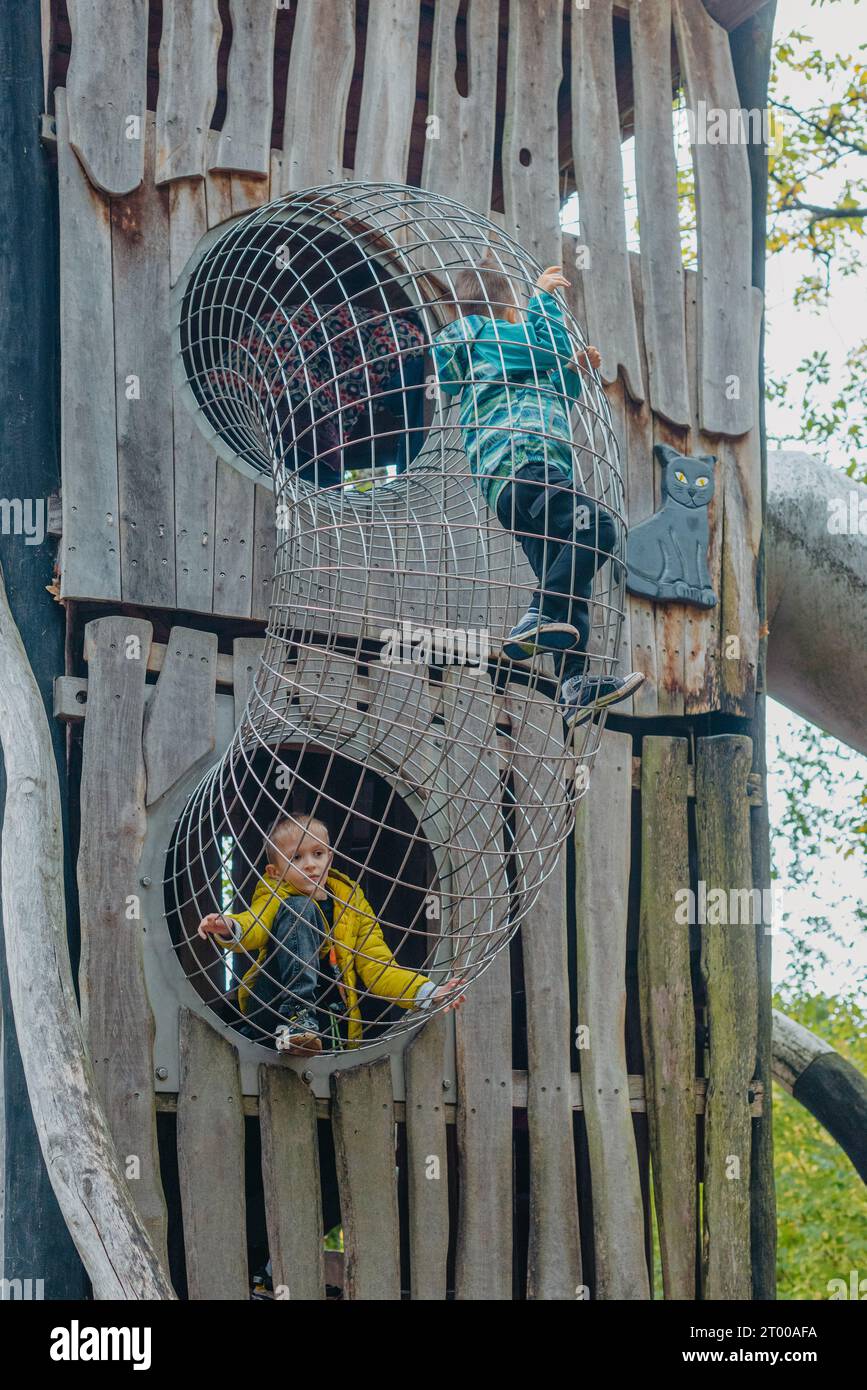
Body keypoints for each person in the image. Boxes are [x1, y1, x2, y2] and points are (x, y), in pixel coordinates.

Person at [431, 256, 644, 727]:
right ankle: (536, 615)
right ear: (505, 307)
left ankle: (574, 684)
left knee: (571, 578)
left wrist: (574, 370)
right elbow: (542, 349)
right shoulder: (480, 337)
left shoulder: (506, 354)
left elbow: (553, 388)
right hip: (527, 465)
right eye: (520, 305)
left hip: (514, 486)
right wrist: (545, 299)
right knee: (600, 530)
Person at [197, 814, 464, 1054]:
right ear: (275, 872)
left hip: (327, 1018)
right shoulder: (275, 894)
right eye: (296, 858)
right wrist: (230, 927)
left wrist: (427, 993)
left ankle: (305, 1032)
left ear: (330, 857)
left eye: (318, 853)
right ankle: (296, 1015)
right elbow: (255, 923)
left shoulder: (351, 900)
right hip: (273, 1007)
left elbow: (378, 967)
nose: (310, 865)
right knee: (299, 909)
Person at [208, 301, 428, 484]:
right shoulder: (409, 337)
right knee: (321, 467)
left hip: (241, 376)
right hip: (289, 356)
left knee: (278, 455)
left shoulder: (379, 324)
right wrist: (336, 441)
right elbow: (356, 386)